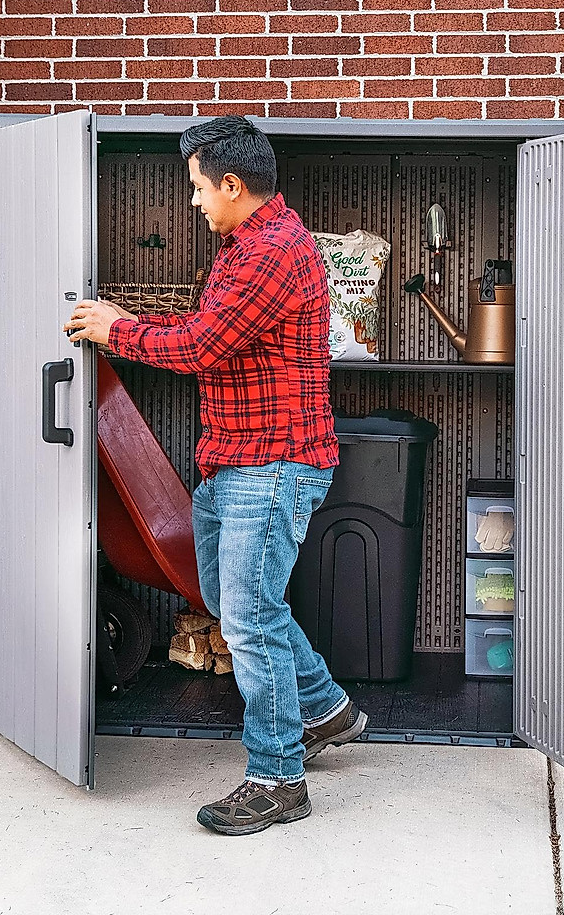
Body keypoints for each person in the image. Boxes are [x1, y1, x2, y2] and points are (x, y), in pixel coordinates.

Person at [65, 115, 367, 836]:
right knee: (240, 608)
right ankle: (325, 710)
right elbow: (215, 334)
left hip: (271, 464)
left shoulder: (273, 252)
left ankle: (277, 778)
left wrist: (116, 330)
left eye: (199, 188)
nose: (195, 201)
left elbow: (203, 344)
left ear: (233, 184)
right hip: (233, 460)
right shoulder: (243, 246)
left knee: (250, 617)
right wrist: (127, 323)